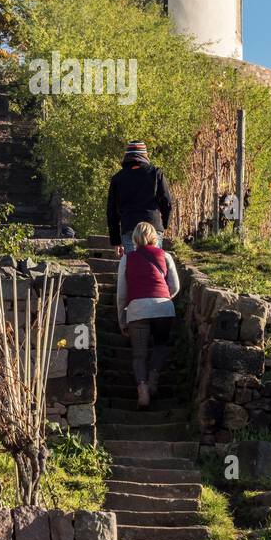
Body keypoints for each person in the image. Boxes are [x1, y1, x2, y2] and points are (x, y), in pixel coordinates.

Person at [117, 221, 180, 408]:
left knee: (139, 355)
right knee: (160, 346)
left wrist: (122, 319)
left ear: (134, 238)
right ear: (155, 236)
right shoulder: (166, 256)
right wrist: (163, 298)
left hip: (137, 310)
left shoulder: (127, 259)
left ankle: (142, 391)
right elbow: (175, 286)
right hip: (163, 308)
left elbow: (121, 294)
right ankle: (153, 380)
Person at [106, 141, 173, 256]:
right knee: (155, 263)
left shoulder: (118, 178)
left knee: (134, 266)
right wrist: (164, 225)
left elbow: (111, 211)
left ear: (127, 156)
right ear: (145, 155)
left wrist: (116, 241)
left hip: (129, 227)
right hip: (153, 226)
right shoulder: (156, 173)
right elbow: (167, 202)